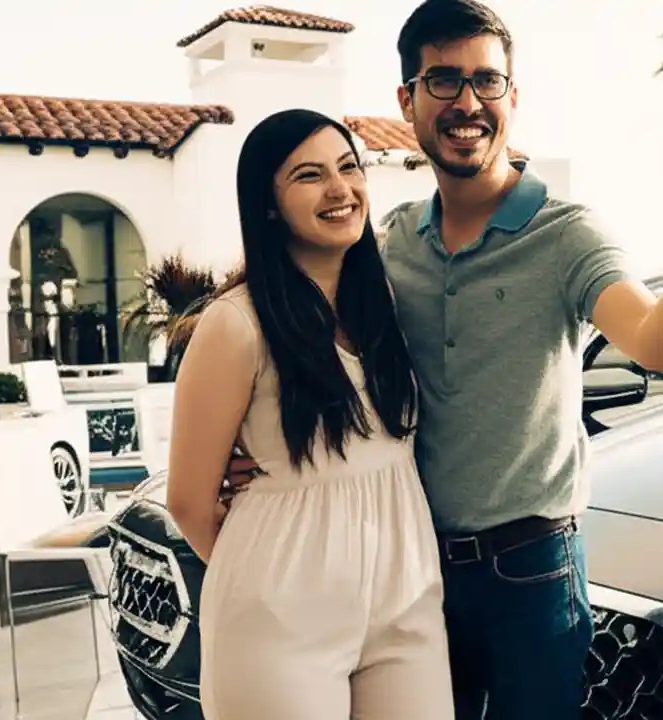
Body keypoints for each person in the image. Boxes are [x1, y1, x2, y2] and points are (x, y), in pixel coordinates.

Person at [225, 1, 663, 716]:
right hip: (405, 565)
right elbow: (312, 343)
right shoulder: (394, 240)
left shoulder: (567, 234)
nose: (467, 102)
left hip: (530, 568)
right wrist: (240, 446)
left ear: (512, 98)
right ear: (407, 100)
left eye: (487, 81)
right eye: (443, 80)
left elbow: (655, 343)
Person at [166, 109, 454, 720]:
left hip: (405, 596)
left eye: (349, 167)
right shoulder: (235, 325)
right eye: (309, 175)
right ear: (268, 204)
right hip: (281, 618)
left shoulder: (387, 305)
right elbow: (189, 502)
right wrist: (284, 580)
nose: (339, 189)